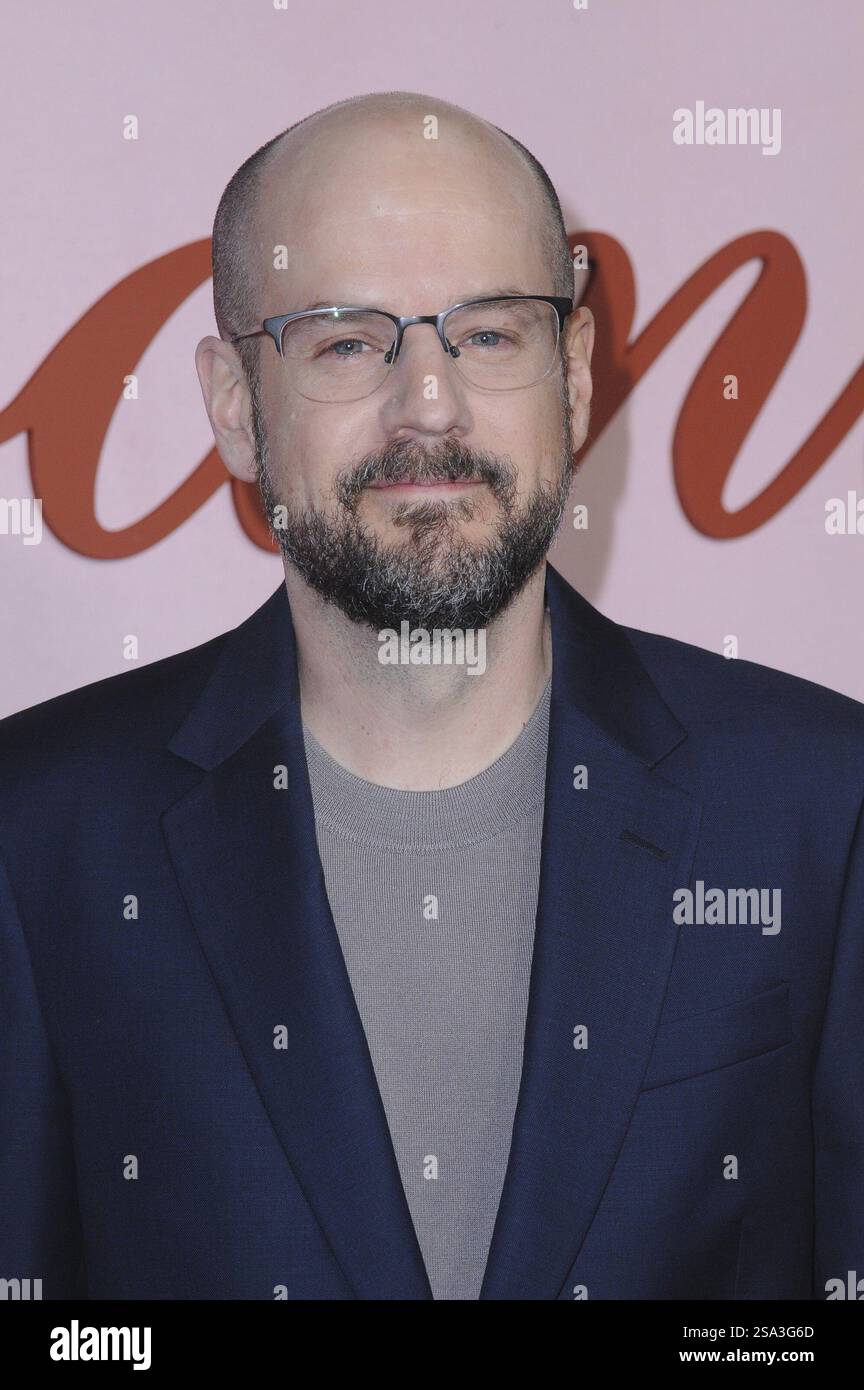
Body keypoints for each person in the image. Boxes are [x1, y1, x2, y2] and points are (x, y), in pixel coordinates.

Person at [1, 90, 861, 1302]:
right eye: (348, 340)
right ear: (237, 406)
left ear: (572, 374)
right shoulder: (39, 837)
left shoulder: (820, 807)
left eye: (490, 333)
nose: (430, 403)